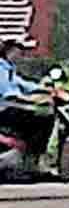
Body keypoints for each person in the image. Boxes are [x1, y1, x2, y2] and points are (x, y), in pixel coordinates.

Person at [0, 38, 55, 173]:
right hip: (5, 110)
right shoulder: (1, 68)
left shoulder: (9, 69)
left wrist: (46, 89)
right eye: (18, 50)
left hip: (11, 107)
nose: (21, 54)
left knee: (44, 115)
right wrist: (30, 99)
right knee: (44, 118)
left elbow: (24, 84)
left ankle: (30, 155)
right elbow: (9, 93)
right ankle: (33, 158)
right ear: (9, 51)